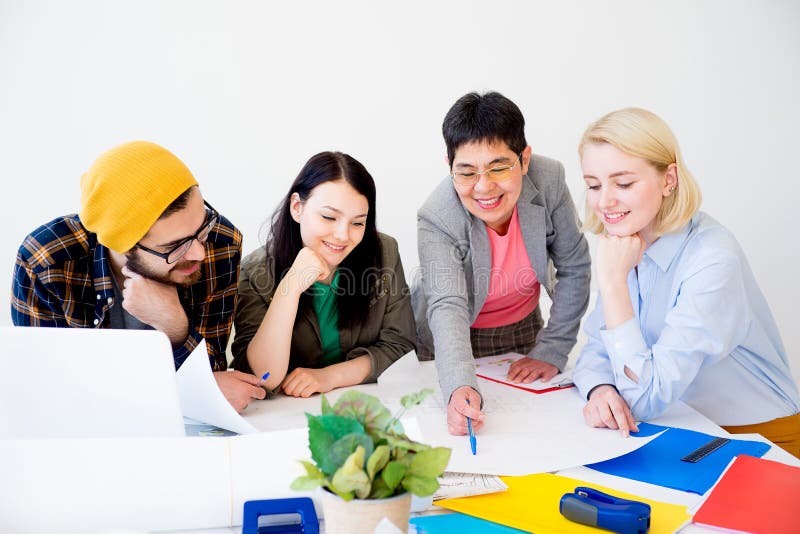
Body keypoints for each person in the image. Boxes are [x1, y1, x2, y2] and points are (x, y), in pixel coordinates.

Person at [573, 107, 800, 457]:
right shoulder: (624, 242)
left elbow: (646, 397)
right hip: (683, 431)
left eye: (624, 183)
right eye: (593, 185)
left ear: (669, 179)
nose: (604, 201)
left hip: (760, 440)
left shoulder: (712, 258)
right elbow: (596, 351)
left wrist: (614, 284)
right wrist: (600, 388)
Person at [11, 140, 266, 412]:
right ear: (120, 244)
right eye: (174, 247)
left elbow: (211, 374)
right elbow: (46, 389)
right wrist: (186, 389)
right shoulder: (46, 261)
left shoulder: (221, 243)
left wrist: (175, 326)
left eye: (202, 228)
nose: (199, 254)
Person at [413, 92, 592, 436]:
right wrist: (459, 388)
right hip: (454, 337)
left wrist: (553, 348)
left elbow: (575, 265)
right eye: (466, 172)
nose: (483, 187)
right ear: (449, 165)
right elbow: (447, 306)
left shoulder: (549, 179)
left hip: (524, 325)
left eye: (498, 167)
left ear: (524, 159)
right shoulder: (436, 216)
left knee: (532, 425)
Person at [231, 151, 415, 397]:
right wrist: (291, 287)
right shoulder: (254, 272)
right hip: (288, 415)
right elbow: (263, 376)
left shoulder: (384, 252)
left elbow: (401, 346)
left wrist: (330, 377)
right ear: (297, 207)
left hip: (363, 402)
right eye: (329, 217)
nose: (342, 235)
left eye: (358, 222)